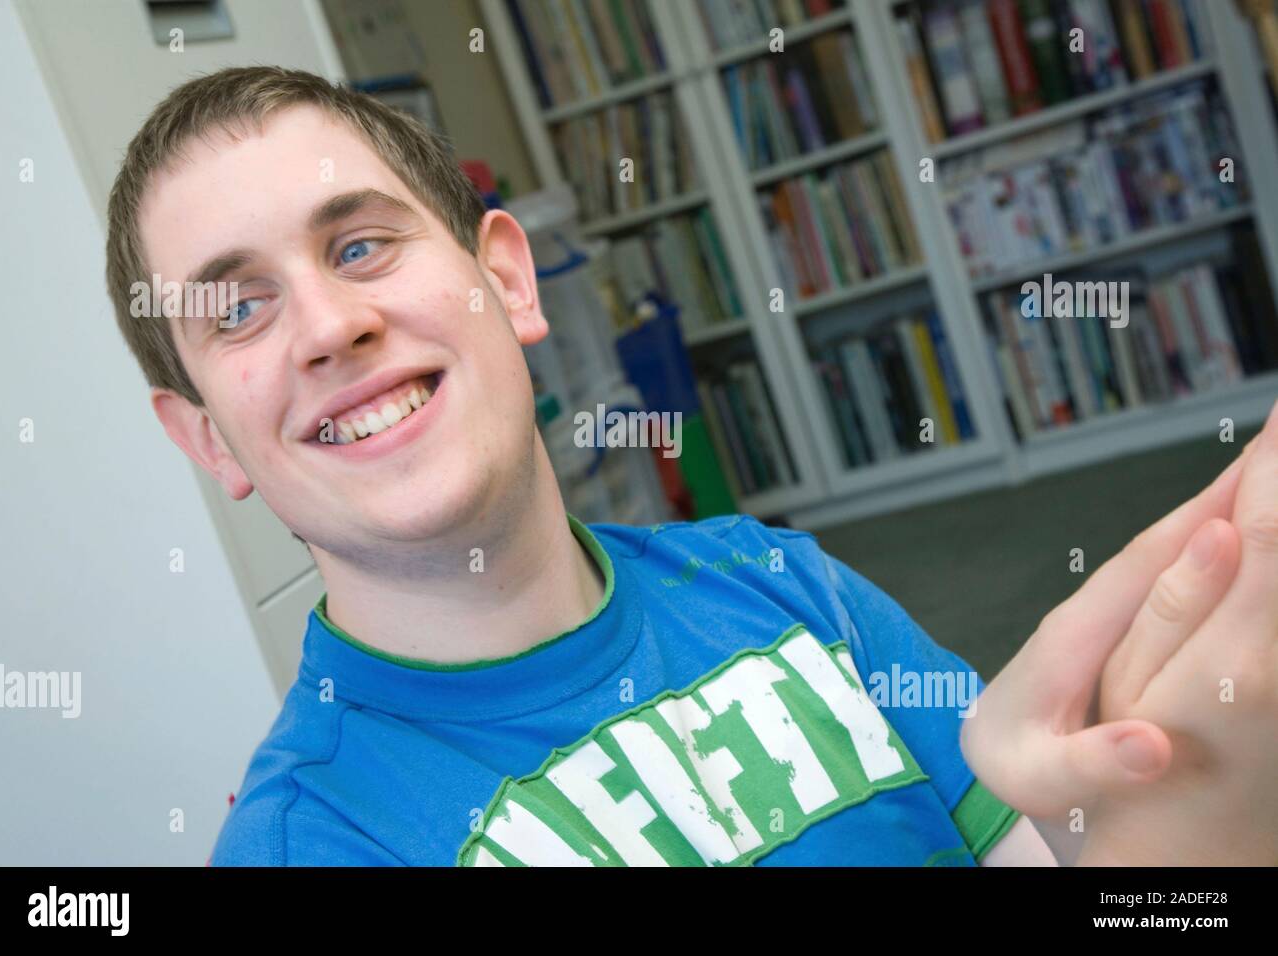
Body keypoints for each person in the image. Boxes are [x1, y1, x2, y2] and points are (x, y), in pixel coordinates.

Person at [105, 66, 1278, 866]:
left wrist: (1188, 830)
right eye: (238, 309)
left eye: (360, 245)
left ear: (507, 280)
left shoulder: (781, 582)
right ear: (209, 437)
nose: (326, 325)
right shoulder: (312, 838)